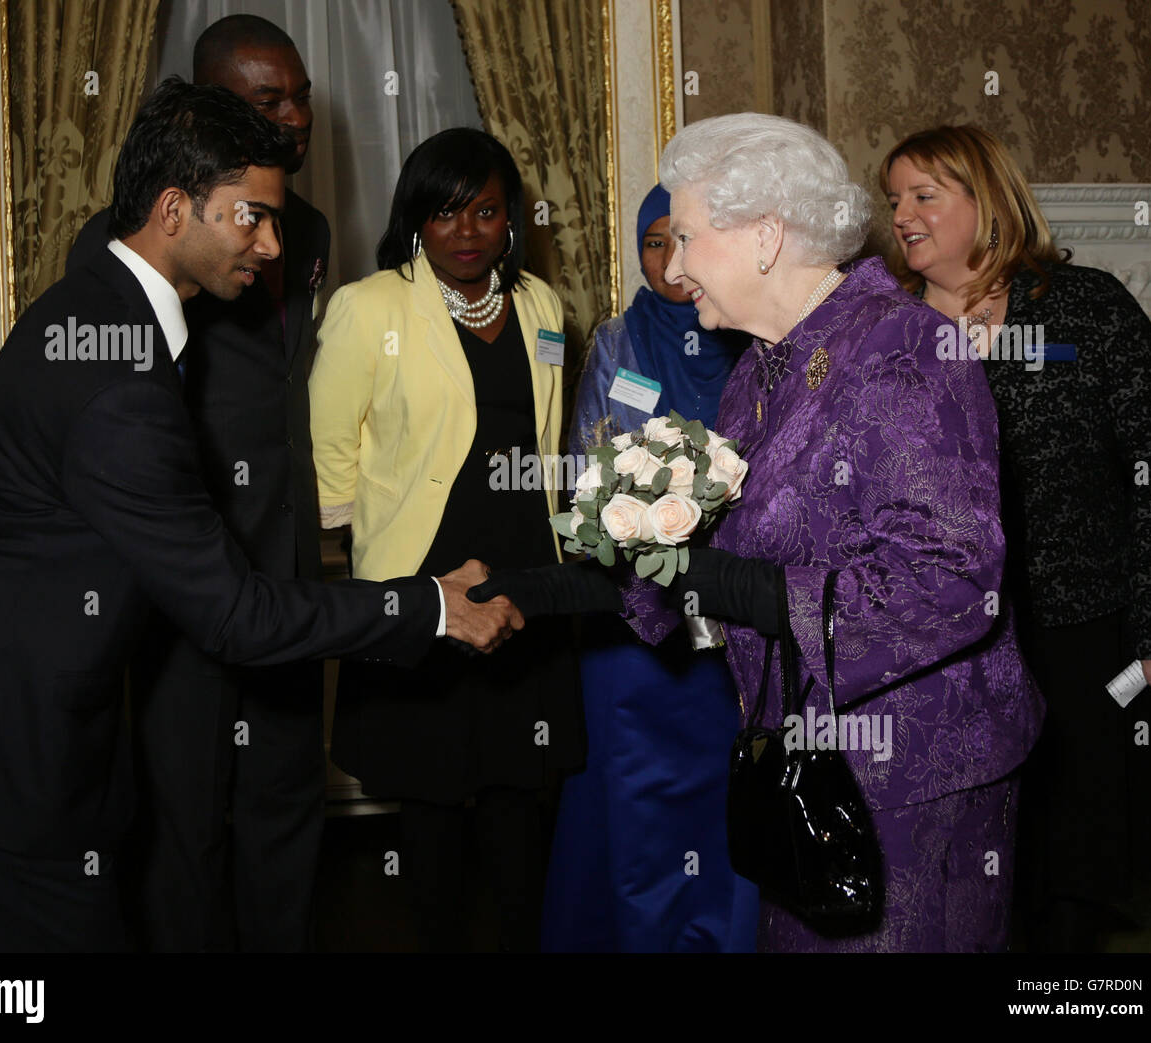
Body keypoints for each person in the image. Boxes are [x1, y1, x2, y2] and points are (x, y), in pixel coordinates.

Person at [0, 79, 520, 954]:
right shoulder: (118, 378)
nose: (271, 243)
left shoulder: (103, 312)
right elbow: (235, 611)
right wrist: (431, 605)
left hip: (30, 746)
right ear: (174, 207)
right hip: (5, 774)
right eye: (250, 217)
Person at [473, 112, 1045, 952]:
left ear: (767, 238)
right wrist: (534, 589)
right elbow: (697, 559)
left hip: (910, 780)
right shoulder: (762, 368)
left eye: (689, 237)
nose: (672, 265)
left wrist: (736, 585)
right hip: (804, 764)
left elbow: (952, 579)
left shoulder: (903, 348)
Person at [881, 124, 1151, 951]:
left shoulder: (1083, 305)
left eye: (923, 195)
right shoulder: (891, 331)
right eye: (895, 199)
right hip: (949, 641)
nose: (902, 214)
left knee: (1078, 852)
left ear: (986, 201)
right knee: (976, 852)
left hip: (1085, 627)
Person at [67, 14, 331, 954]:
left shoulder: (309, 229)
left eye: (299, 94)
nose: (297, 115)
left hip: (287, 568)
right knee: (186, 817)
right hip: (186, 578)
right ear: (210, 105)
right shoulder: (129, 240)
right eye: (269, 100)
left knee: (288, 805)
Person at [308, 128, 581, 952]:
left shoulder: (541, 304)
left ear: (511, 221)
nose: (466, 230)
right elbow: (330, 446)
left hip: (527, 573)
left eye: (486, 211)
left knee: (517, 790)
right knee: (429, 798)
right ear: (416, 220)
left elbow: (546, 436)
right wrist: (366, 554)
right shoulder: (370, 306)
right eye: (445, 211)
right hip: (424, 583)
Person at [541, 184, 755, 952]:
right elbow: (589, 473)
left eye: (683, 240)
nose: (668, 260)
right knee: (635, 800)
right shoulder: (616, 343)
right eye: (653, 242)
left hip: (740, 623)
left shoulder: (758, 335)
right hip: (636, 623)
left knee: (725, 797)